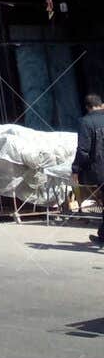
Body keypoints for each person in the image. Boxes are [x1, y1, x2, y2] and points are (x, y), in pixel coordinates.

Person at [72, 92, 104, 246]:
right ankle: (102, 237)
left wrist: (76, 169)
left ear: (87, 107)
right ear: (102, 105)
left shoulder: (85, 122)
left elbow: (83, 150)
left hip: (100, 170)